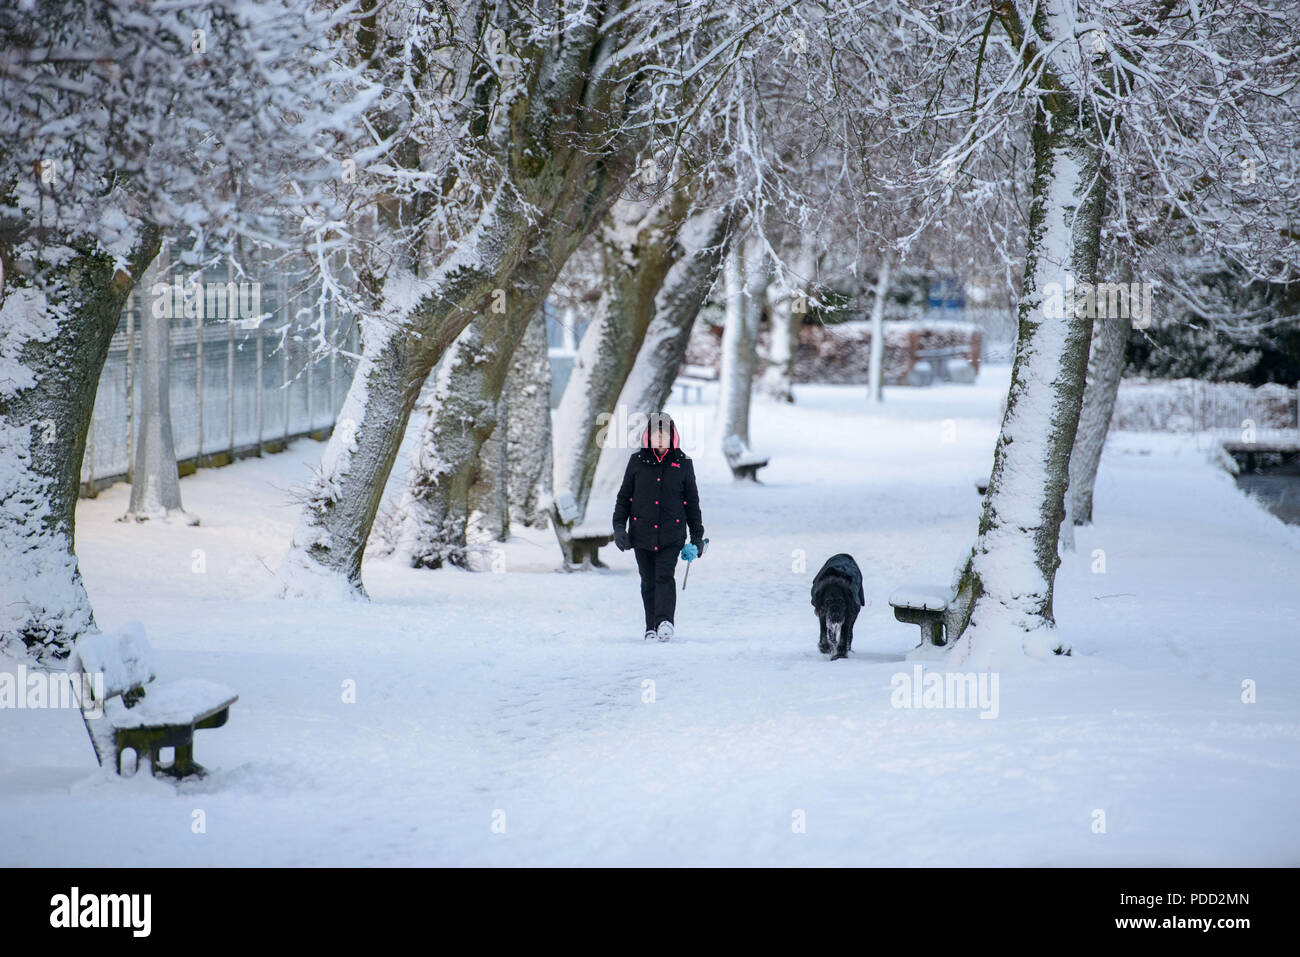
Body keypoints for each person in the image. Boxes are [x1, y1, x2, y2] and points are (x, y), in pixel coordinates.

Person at [612, 413, 705, 641]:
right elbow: (624, 498)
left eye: (664, 434)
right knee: (648, 581)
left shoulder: (683, 464)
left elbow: (692, 503)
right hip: (641, 534)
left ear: (673, 437)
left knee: (664, 576)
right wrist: (619, 528)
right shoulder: (637, 463)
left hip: (671, 535)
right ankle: (650, 627)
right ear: (648, 437)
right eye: (655, 434)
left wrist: (697, 537)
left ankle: (665, 622)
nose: (660, 439)